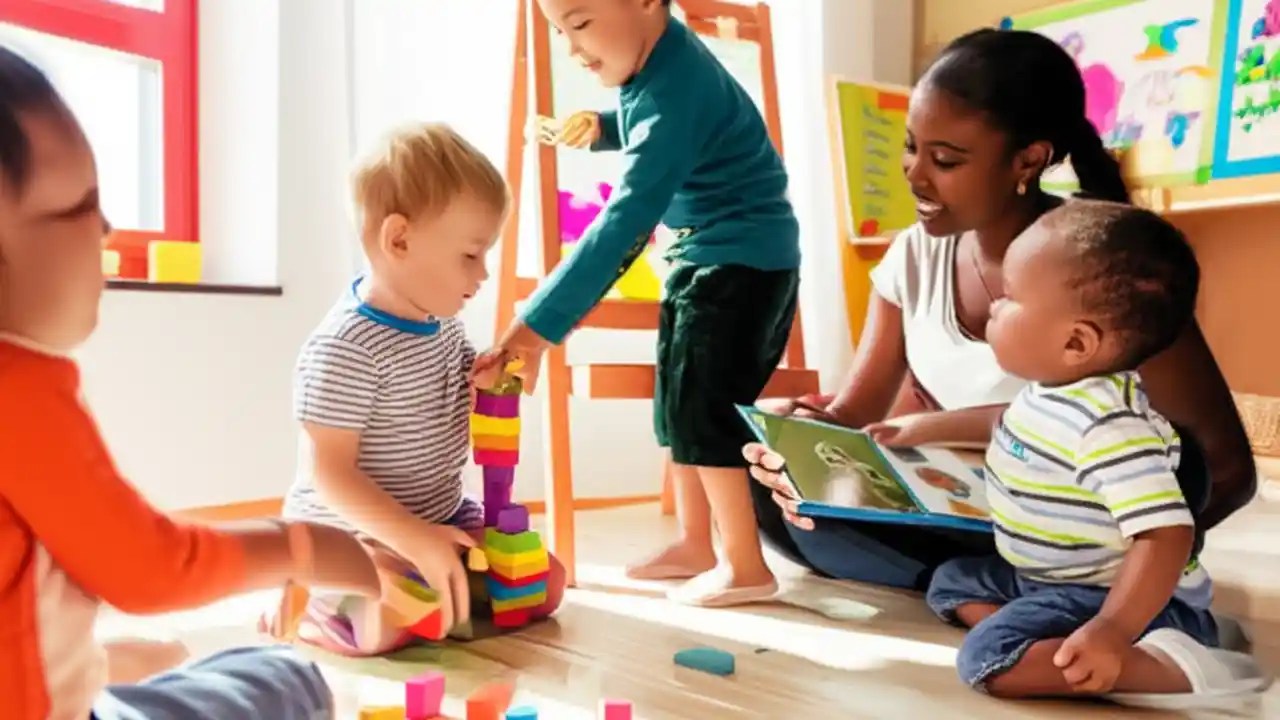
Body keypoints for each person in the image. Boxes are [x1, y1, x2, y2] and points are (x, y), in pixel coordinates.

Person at [744, 28, 1256, 594]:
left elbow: (1225, 472)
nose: (914, 173)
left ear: (1028, 160)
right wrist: (793, 434)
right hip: (962, 513)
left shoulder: (1110, 268)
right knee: (760, 483)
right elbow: (853, 418)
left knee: (1170, 477)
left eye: (945, 159)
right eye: (912, 146)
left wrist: (1130, 566)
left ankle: (1007, 584)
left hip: (1073, 536)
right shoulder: (913, 255)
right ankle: (974, 581)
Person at [0, 45, 382, 720]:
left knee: (177, 661)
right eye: (83, 203)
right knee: (283, 675)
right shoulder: (16, 389)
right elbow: (147, 567)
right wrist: (302, 545)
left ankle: (109, 670)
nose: (109, 228)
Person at [483, 0, 801, 607]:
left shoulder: (677, 84)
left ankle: (745, 564)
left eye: (579, 24)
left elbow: (625, 219)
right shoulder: (657, 68)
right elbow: (667, 132)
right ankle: (693, 542)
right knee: (679, 405)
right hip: (703, 259)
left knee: (708, 415)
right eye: (560, 32)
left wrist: (532, 330)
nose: (573, 49)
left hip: (740, 267)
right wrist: (603, 128)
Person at [922, 200, 1271, 702]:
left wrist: (1111, 627)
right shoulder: (1053, 390)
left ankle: (1183, 664)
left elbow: (1166, 535)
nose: (994, 306)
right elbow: (1006, 422)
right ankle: (1064, 645)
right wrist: (918, 429)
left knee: (986, 659)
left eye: (1010, 298)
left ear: (1076, 344)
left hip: (1117, 595)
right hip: (1046, 577)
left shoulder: (1109, 426)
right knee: (951, 582)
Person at [276, 122, 565, 655]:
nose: (482, 275)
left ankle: (435, 592)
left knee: (544, 582)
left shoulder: (444, 327)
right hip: (351, 534)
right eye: (470, 255)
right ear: (400, 240)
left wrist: (486, 383)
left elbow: (448, 415)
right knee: (388, 615)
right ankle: (312, 605)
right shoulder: (344, 347)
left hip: (440, 517)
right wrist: (411, 539)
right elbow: (330, 474)